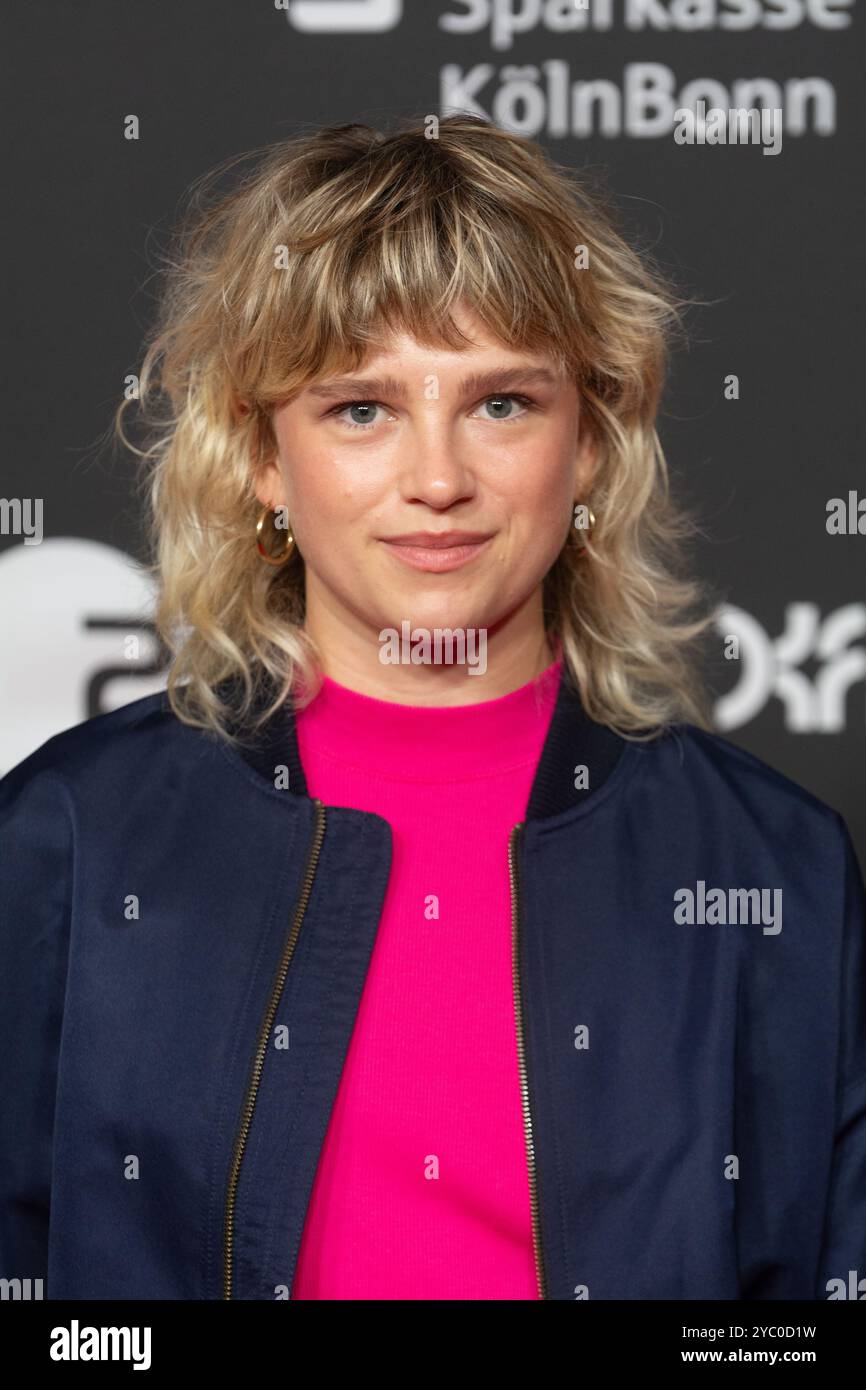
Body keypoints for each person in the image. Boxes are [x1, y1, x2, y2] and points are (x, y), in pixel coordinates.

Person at [0, 115, 863, 1302]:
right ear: (262, 456)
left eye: (500, 402)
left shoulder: (773, 865)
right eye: (360, 407)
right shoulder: (71, 835)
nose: (439, 478)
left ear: (592, 444)